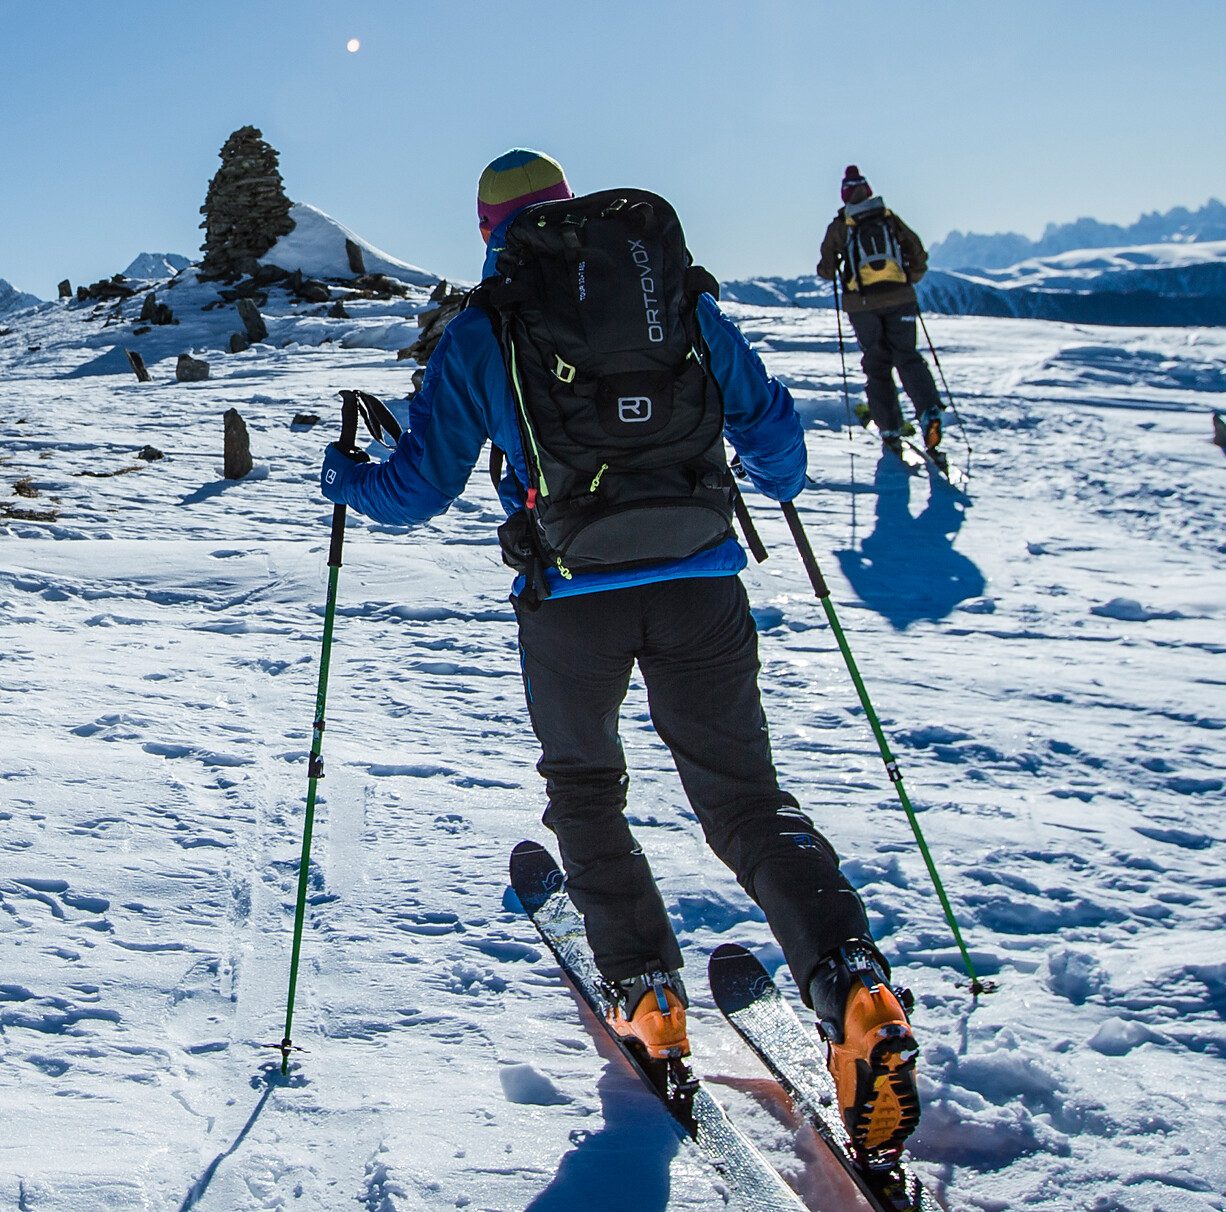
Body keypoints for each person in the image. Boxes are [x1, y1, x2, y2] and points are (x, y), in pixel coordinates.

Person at [318, 149, 920, 1158]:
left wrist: (344, 475)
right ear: (571, 207)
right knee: (746, 801)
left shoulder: (484, 328)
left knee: (588, 792)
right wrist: (746, 468)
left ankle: (648, 998)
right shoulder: (672, 295)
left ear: (488, 232)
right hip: (701, 587)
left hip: (570, 603)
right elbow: (781, 451)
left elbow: (417, 492)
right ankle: (855, 991)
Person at [816, 165, 946, 458]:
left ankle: (889, 428)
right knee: (908, 357)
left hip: (862, 305)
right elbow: (918, 253)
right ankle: (929, 412)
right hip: (900, 299)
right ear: (868, 190)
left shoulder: (841, 225)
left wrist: (835, 267)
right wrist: (907, 281)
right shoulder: (887, 218)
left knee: (877, 363)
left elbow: (826, 270)